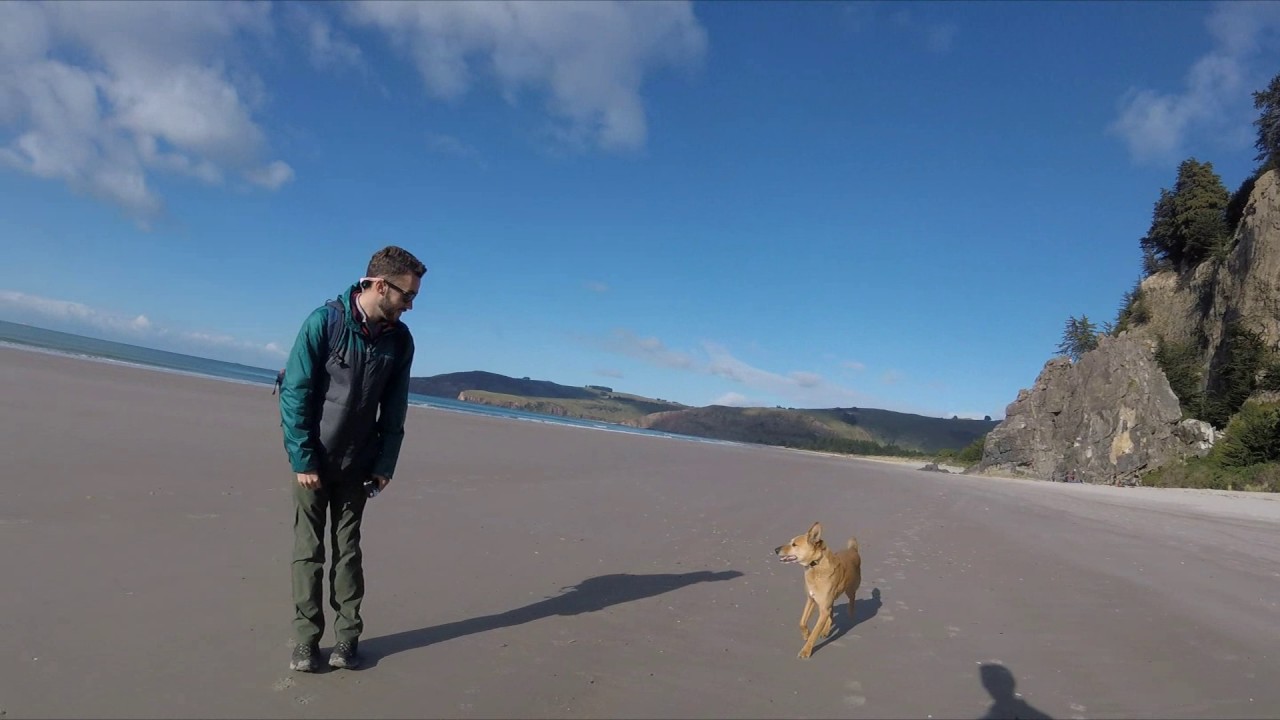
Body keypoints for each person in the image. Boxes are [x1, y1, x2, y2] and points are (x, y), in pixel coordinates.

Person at [278, 245, 426, 672]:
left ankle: (347, 640)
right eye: (407, 295)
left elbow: (395, 407)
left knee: (348, 553)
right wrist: (303, 459)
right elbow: (296, 394)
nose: (411, 306)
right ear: (381, 285)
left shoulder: (400, 341)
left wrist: (385, 463)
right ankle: (306, 642)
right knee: (309, 552)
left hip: (358, 464)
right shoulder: (324, 322)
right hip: (314, 461)